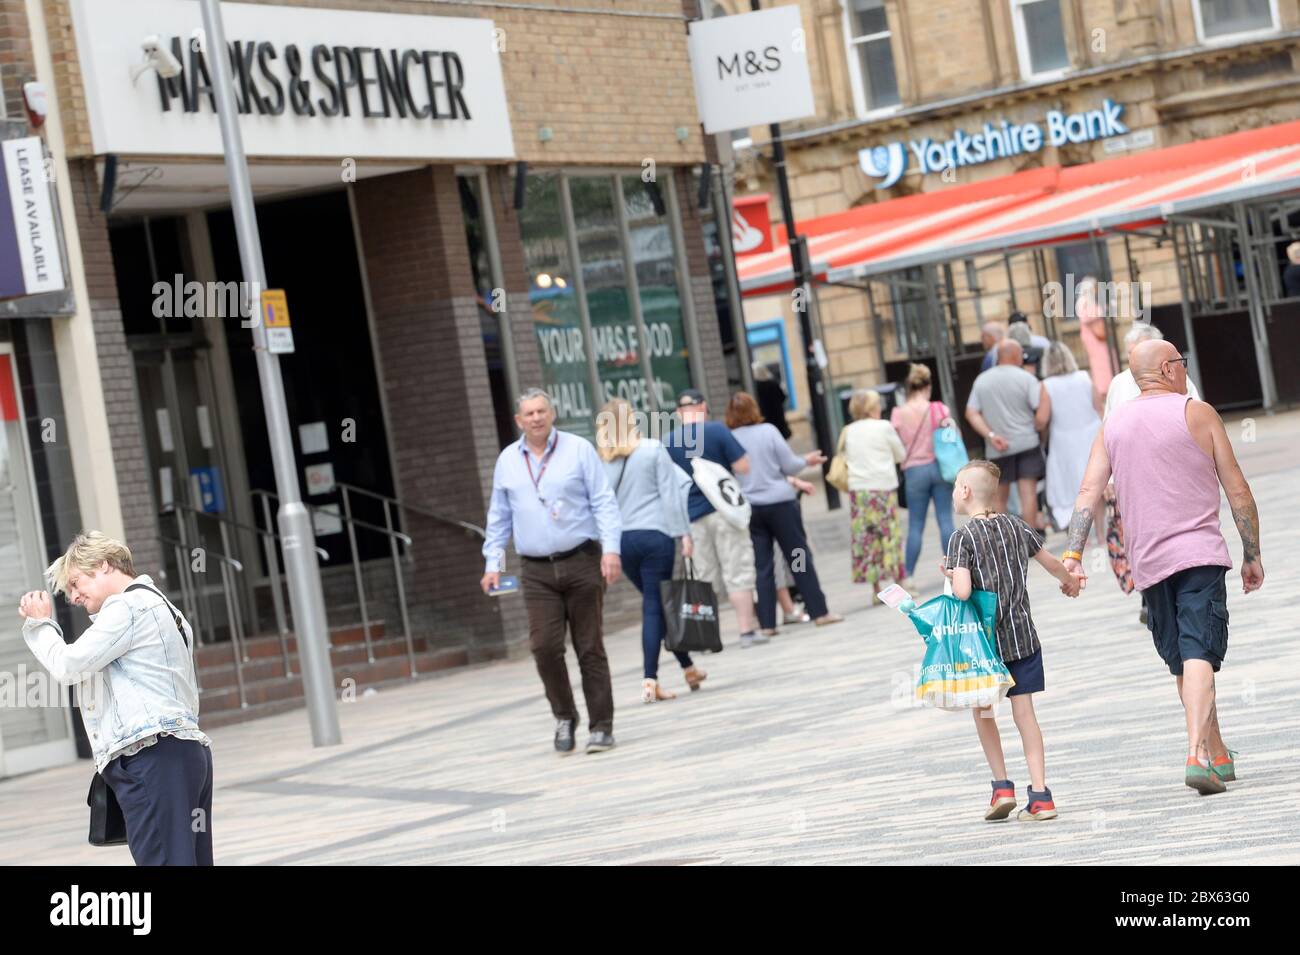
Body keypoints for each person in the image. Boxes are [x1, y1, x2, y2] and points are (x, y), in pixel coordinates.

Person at [1062, 340, 1264, 796]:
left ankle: (1217, 752)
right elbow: (1237, 488)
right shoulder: (1197, 412)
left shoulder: (1113, 425)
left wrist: (1073, 557)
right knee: (1199, 655)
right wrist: (1252, 552)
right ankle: (1196, 752)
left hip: (1148, 562)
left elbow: (1087, 493)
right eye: (1182, 363)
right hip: (1199, 554)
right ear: (1170, 370)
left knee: (1183, 660)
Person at [20, 532, 213, 865]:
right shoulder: (164, 606)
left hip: (150, 755)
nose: (74, 596)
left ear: (104, 565)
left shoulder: (128, 607)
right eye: (68, 592)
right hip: (183, 752)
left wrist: (40, 625)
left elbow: (68, 666)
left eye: (76, 583)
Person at [482, 387, 623, 755]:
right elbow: (498, 519)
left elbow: (604, 503)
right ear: (519, 421)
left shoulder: (578, 450)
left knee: (589, 646)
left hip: (581, 559)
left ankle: (601, 726)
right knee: (544, 647)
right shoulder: (508, 461)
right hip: (536, 570)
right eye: (528, 414)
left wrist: (610, 550)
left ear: (552, 413)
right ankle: (565, 715)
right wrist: (493, 565)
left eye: (541, 411)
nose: (536, 418)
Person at [941, 461, 1082, 822]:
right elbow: (1050, 562)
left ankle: (1002, 787)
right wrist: (1068, 581)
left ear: (967, 492)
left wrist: (952, 572)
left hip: (984, 648)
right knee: (1025, 714)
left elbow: (962, 591)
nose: (955, 492)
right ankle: (1040, 795)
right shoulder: (1017, 524)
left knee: (985, 710)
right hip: (1022, 638)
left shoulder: (962, 538)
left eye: (957, 486)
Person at [596, 398, 706, 703]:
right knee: (654, 607)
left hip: (621, 543)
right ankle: (650, 679)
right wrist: (683, 532)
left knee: (655, 603)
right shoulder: (651, 449)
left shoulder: (600, 460)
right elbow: (670, 495)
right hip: (654, 536)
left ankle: (688, 667)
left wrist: (606, 547)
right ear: (631, 420)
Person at [1103, 323, 1202, 621]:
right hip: (1133, 480)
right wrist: (1108, 479)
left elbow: (1196, 418)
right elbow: (1108, 430)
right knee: (1138, 536)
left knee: (1175, 532)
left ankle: (1182, 586)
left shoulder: (1181, 380)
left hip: (1174, 476)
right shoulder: (1119, 384)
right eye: (1134, 353)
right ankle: (1150, 595)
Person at [726, 392, 843, 634]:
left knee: (763, 565)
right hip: (780, 505)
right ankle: (819, 611)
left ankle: (768, 624)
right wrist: (806, 461)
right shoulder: (768, 431)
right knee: (798, 556)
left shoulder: (730, 439)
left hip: (752, 510)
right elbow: (789, 464)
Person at [663, 388, 765, 648]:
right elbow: (743, 466)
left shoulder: (667, 441)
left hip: (692, 518)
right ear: (704, 407)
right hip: (724, 512)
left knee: (703, 577)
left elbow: (667, 485)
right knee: (737, 569)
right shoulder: (717, 431)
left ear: (678, 413)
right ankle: (746, 632)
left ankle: (708, 637)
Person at [965, 340, 1050, 531]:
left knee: (998, 497)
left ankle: (1001, 540)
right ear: (1015, 355)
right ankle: (1028, 541)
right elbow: (1042, 415)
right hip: (1027, 442)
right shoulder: (1027, 378)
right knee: (1027, 494)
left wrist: (990, 435)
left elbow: (971, 412)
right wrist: (1038, 429)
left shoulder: (981, 381)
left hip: (997, 449)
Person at [891, 364, 957, 586]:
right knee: (945, 519)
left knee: (916, 525)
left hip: (914, 471)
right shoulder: (939, 409)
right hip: (940, 467)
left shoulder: (898, 414)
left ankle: (908, 575)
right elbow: (950, 437)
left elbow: (896, 444)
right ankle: (955, 569)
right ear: (928, 386)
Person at [844, 388, 906, 600]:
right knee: (889, 534)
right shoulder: (884, 427)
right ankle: (898, 581)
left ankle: (875, 588)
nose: (880, 407)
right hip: (882, 487)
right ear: (871, 408)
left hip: (859, 491)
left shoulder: (849, 430)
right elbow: (901, 454)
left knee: (867, 537)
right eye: (877, 404)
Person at [1041, 341, 1102, 538]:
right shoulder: (1084, 377)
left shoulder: (1047, 386)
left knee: (1072, 489)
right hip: (1090, 436)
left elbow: (1042, 418)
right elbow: (1098, 407)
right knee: (1096, 486)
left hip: (1064, 442)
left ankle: (1079, 536)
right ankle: (1101, 534)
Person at [1076, 276, 1117, 403]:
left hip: (1096, 336)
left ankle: (1109, 385)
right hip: (1093, 337)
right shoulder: (1084, 301)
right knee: (1101, 362)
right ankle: (1104, 388)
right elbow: (1087, 318)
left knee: (1105, 360)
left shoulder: (1089, 301)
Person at [751, 361, 791, 439]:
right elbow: (783, 397)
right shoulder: (773, 383)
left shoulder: (756, 387)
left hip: (765, 419)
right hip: (777, 417)